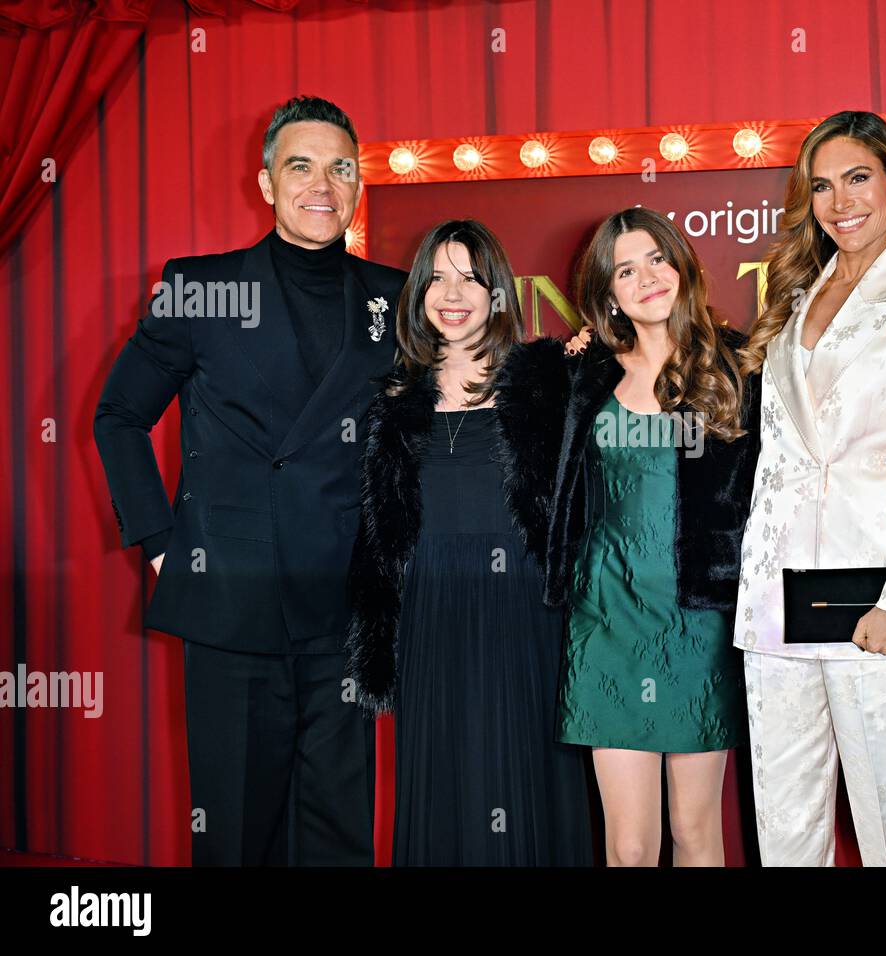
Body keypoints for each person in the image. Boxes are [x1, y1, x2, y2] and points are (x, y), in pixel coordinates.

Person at [93, 96, 407, 865]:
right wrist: (162, 542)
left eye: (341, 168)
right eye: (301, 166)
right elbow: (119, 415)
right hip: (232, 600)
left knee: (337, 835)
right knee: (234, 833)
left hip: (345, 606)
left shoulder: (397, 297)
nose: (322, 186)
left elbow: (444, 420)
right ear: (266, 182)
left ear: (358, 183)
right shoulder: (200, 288)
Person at [734, 110, 886, 866]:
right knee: (785, 821)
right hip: (776, 591)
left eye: (858, 178)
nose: (840, 202)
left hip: (871, 590)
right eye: (822, 186)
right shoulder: (794, 297)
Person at [497, 207, 761, 866]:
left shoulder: (736, 366)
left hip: (699, 622)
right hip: (606, 621)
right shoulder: (583, 376)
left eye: (657, 260)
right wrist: (565, 357)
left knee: (695, 833)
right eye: (625, 270)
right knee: (630, 846)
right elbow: (524, 457)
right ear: (607, 293)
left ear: (682, 266)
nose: (647, 278)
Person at [344, 220, 592, 865]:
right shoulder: (393, 395)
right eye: (436, 278)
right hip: (428, 607)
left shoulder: (546, 383)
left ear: (497, 291)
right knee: (442, 771)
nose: (452, 294)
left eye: (470, 279)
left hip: (524, 607)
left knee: (523, 765)